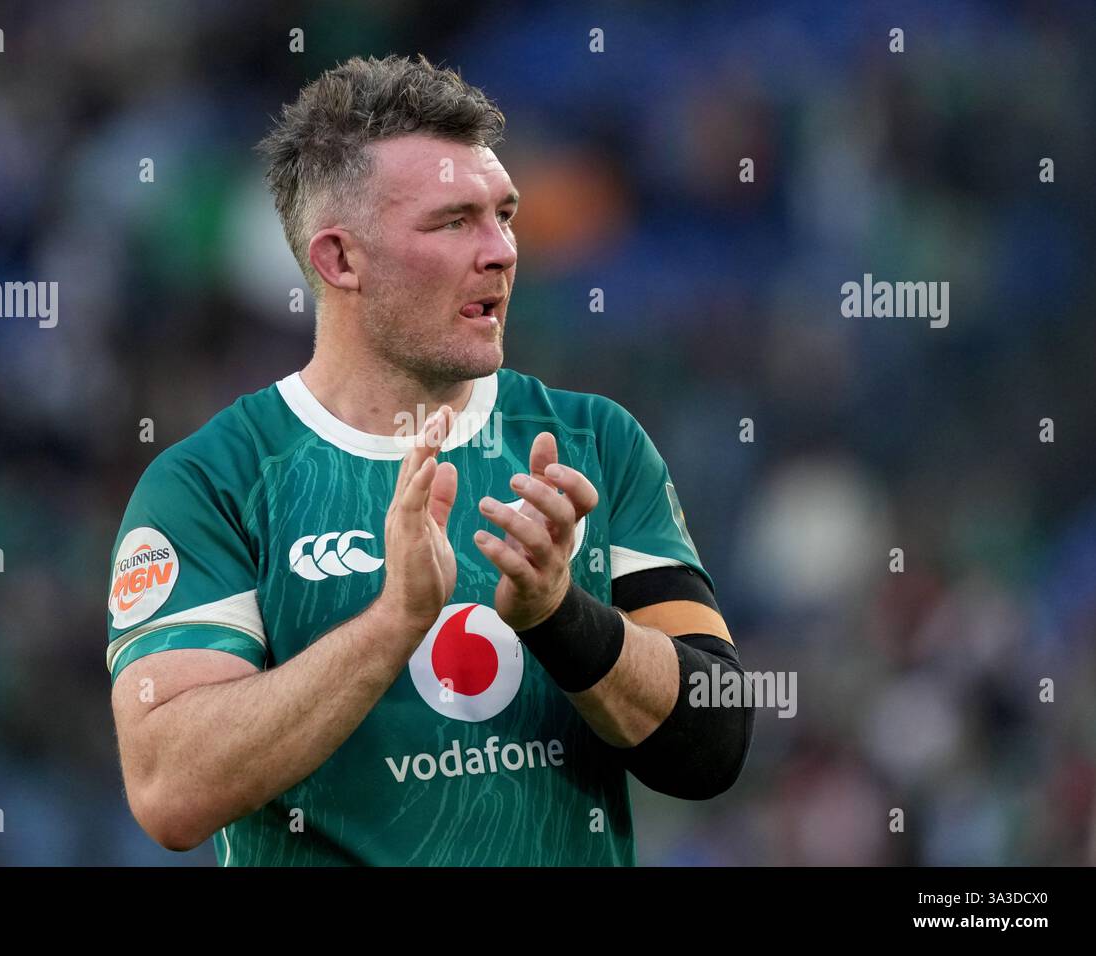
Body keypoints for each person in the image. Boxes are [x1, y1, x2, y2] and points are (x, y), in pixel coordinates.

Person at [107, 54, 752, 866]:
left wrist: (562, 615)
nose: (503, 251)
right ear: (340, 260)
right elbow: (170, 791)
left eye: (504, 214)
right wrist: (393, 623)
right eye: (454, 222)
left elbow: (715, 741)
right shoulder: (213, 484)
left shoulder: (595, 443)